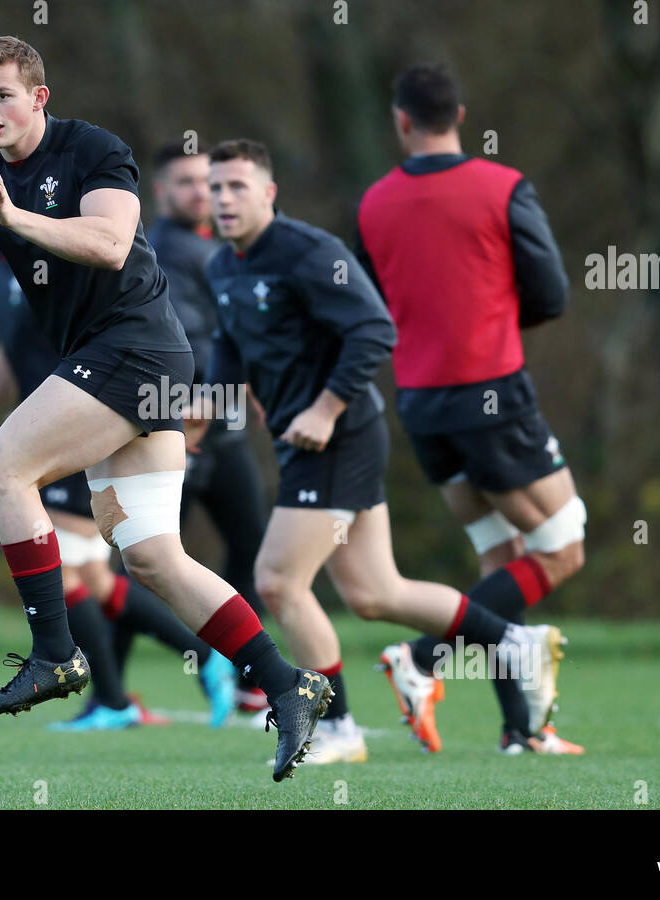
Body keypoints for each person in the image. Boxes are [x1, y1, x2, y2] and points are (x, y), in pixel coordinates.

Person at [0, 35, 328, 781]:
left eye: (3, 94)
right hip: (123, 363)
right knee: (152, 558)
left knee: (2, 471)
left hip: (137, 350)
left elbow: (111, 244)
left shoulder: (93, 150)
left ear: (39, 97)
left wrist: (17, 220)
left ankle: (55, 654)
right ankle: (288, 684)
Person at [190, 138, 566, 765]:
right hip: (300, 442)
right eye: (216, 187)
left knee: (278, 580)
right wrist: (194, 419)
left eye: (237, 187)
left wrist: (324, 407)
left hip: (340, 435)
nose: (223, 199)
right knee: (375, 592)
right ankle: (512, 641)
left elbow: (374, 329)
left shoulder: (310, 252)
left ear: (268, 193)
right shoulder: (223, 267)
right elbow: (229, 351)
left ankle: (337, 728)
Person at [356, 63, 585, 755]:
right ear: (460, 115)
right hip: (494, 396)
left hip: (421, 404)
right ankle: (422, 660)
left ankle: (523, 730)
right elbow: (551, 294)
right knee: (564, 544)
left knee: (500, 557)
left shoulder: (373, 204)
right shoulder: (503, 187)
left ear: (401, 121)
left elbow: (373, 302)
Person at [0, 251, 237, 731]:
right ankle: (191, 662)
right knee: (93, 577)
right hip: (44, 423)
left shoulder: (61, 242)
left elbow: (141, 324)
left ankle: (120, 696)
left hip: (85, 416)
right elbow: (10, 344)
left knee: (73, 571)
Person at [145, 140, 271, 714]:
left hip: (223, 428)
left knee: (252, 543)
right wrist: (194, 414)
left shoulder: (212, 248)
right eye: (189, 182)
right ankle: (114, 693)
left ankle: (244, 674)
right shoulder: (164, 249)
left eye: (212, 183)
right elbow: (196, 346)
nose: (204, 192)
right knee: (147, 557)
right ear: (160, 192)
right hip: (181, 424)